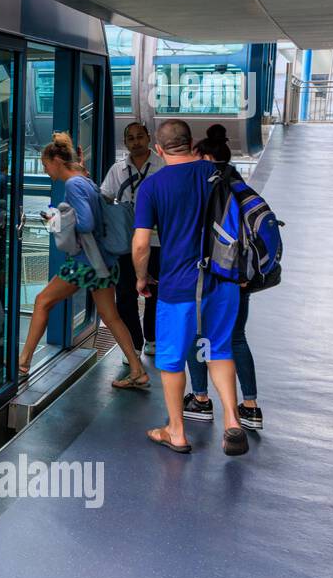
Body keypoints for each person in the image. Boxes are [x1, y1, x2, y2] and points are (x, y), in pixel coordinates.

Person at [133, 119, 248, 455]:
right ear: (192, 143)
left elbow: (141, 245)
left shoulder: (153, 187)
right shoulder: (219, 174)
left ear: (158, 148)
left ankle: (176, 431)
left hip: (178, 286)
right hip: (222, 281)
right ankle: (232, 421)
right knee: (218, 350)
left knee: (171, 359)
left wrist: (141, 277)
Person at [18, 132, 148, 388]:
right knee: (110, 316)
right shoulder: (84, 180)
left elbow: (86, 221)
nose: (46, 171)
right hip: (103, 262)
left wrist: (55, 220)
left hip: (85, 262)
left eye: (46, 165)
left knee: (42, 301)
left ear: (57, 159)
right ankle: (137, 369)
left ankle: (22, 363)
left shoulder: (73, 185)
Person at [183, 137, 263, 430]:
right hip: (242, 276)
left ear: (204, 157)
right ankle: (251, 407)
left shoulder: (210, 187)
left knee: (198, 335)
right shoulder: (241, 186)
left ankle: (201, 399)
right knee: (237, 337)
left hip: (215, 277)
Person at [101, 121, 163, 360]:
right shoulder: (118, 170)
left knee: (155, 292)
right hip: (126, 243)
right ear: (125, 142)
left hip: (156, 241)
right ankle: (134, 345)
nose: (136, 142)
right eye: (131, 138)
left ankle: (153, 338)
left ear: (148, 138)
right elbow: (104, 197)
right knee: (125, 296)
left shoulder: (162, 166)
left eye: (140, 137)